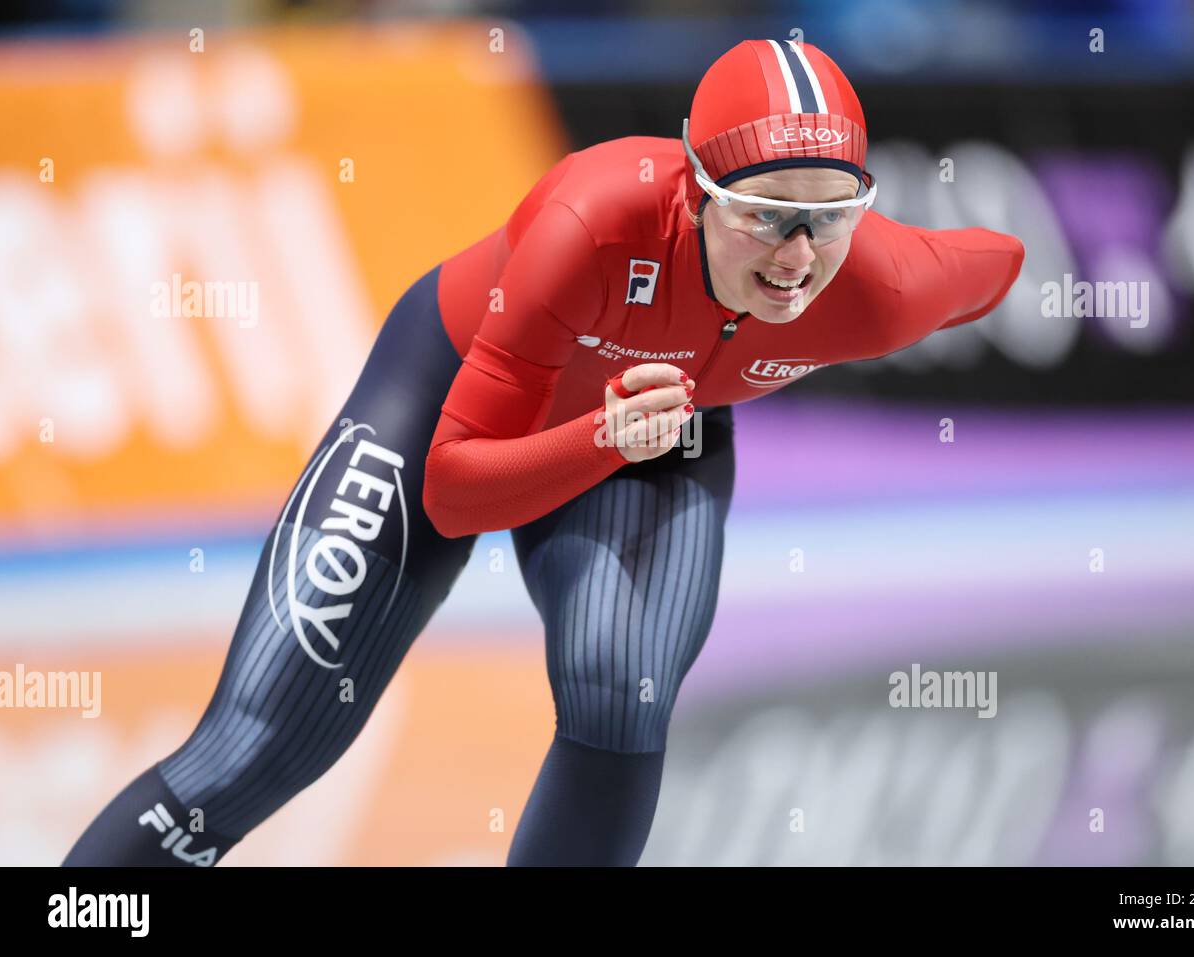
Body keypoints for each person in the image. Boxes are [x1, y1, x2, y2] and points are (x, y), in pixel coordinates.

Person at [63, 38, 1024, 867]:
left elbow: (1000, 262)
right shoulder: (590, 221)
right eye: (765, 213)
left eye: (830, 216)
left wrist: (621, 436)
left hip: (654, 431)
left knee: (620, 688)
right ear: (694, 192)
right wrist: (600, 433)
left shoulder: (881, 285)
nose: (798, 256)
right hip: (456, 409)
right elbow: (449, 492)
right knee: (254, 748)